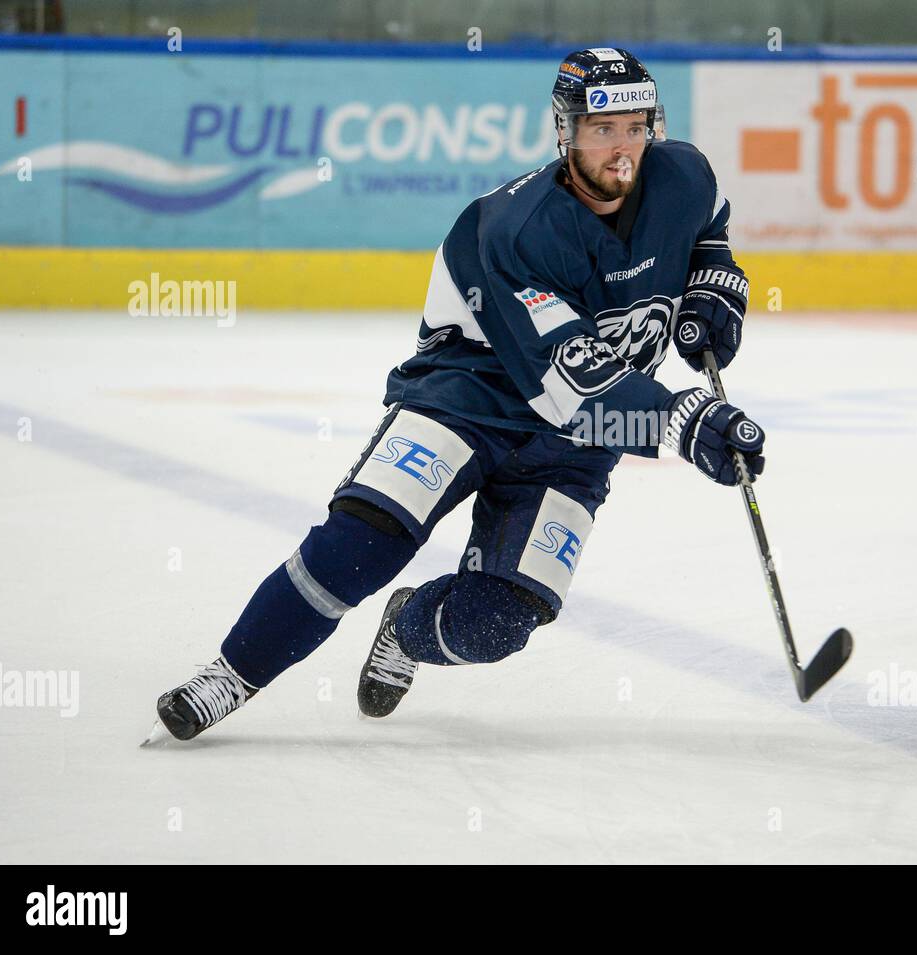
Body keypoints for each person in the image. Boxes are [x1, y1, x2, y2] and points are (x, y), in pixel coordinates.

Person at [148, 46, 766, 742]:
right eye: (601, 130)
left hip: (578, 443)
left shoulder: (684, 173)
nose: (623, 148)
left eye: (635, 126)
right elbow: (574, 380)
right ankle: (232, 672)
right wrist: (684, 421)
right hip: (471, 395)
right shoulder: (511, 231)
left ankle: (405, 632)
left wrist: (714, 279)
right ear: (565, 132)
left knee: (499, 621)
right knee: (363, 545)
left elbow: (708, 225)